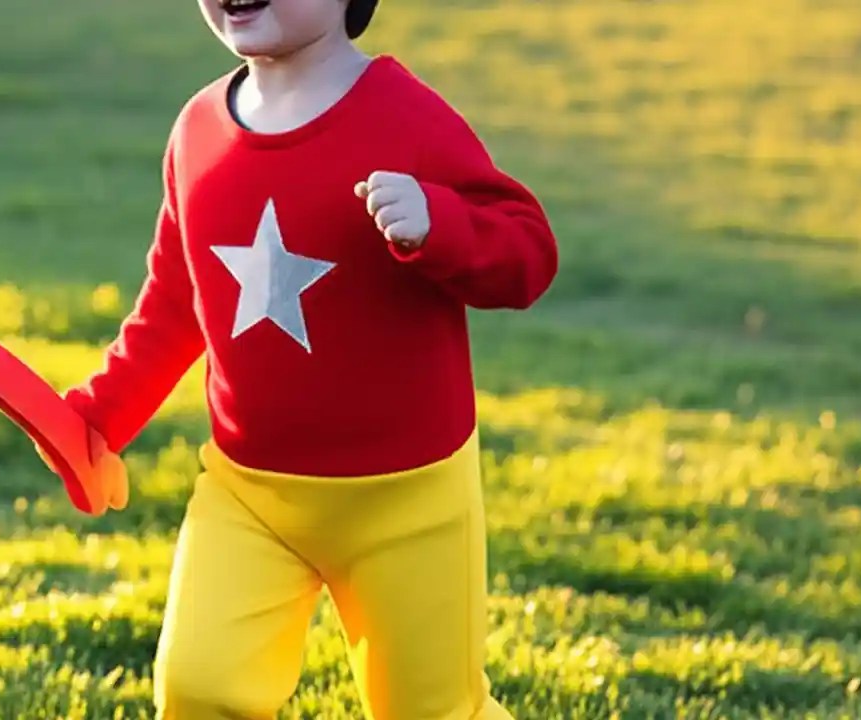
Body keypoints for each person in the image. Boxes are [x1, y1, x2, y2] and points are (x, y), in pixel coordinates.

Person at [53, 0, 559, 716]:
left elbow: (529, 254)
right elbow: (176, 299)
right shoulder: (198, 128)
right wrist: (103, 414)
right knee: (201, 687)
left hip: (407, 501)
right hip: (249, 493)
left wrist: (436, 223)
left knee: (433, 709)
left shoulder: (405, 116)